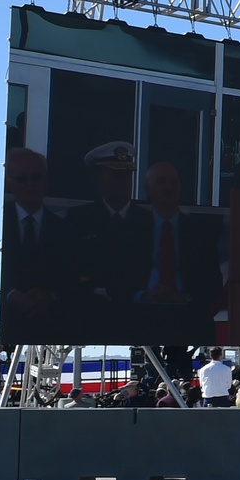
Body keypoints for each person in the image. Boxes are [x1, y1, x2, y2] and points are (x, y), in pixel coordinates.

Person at [129, 161, 224, 348]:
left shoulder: (200, 233)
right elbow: (118, 279)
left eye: (173, 181)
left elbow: (214, 285)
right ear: (148, 189)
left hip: (190, 315)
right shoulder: (132, 231)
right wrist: (144, 296)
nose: (168, 187)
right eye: (161, 181)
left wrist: (185, 298)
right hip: (140, 314)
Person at [72, 141, 150, 342]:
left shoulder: (148, 221)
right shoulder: (78, 219)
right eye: (115, 174)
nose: (122, 180)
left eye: (127, 174)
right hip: (89, 315)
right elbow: (67, 271)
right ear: (99, 177)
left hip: (139, 316)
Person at [0, 148, 75, 346]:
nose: (30, 183)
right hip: (7, 321)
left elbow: (73, 277)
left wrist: (49, 297)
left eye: (35, 176)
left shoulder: (65, 229)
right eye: (21, 178)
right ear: (9, 182)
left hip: (55, 323)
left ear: (45, 180)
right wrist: (13, 295)